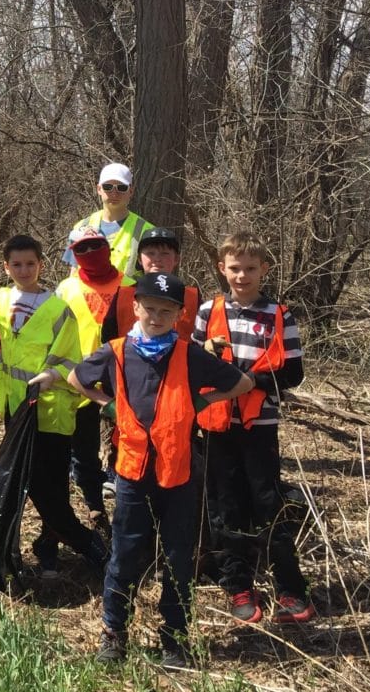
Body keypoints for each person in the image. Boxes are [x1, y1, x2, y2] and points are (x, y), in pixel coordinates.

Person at [69, 272, 253, 669]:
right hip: (132, 471)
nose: (156, 317)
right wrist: (109, 406)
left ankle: (174, 638)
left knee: (177, 556)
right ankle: (114, 634)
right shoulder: (116, 351)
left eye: (166, 311)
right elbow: (75, 378)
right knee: (125, 553)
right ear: (135, 307)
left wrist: (202, 405)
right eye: (150, 308)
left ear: (177, 315)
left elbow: (241, 382)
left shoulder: (189, 354)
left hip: (179, 472)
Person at [193, 232, 314, 625]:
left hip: (259, 426)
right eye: (234, 269)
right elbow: (193, 364)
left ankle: (292, 590)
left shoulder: (279, 315)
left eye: (250, 269)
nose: (241, 276)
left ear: (264, 269)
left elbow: (292, 372)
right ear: (221, 269)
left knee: (268, 503)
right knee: (224, 505)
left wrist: (251, 383)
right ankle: (238, 586)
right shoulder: (207, 311)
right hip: (216, 425)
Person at [0, 234, 105, 578]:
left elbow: (73, 360)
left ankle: (91, 549)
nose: (24, 270)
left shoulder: (56, 308)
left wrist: (53, 373)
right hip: (15, 409)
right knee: (34, 486)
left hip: (51, 412)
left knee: (47, 488)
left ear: (42, 264)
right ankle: (50, 548)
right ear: (5, 267)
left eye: (31, 263)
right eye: (17, 264)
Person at [55, 227, 133, 524]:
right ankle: (94, 504)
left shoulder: (131, 285)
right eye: (82, 249)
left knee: (126, 448)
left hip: (124, 379)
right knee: (84, 449)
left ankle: (131, 511)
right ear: (73, 254)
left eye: (95, 246)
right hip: (81, 382)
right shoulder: (66, 289)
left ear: (108, 247)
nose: (89, 254)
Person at [101, 227, 202, 342]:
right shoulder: (123, 295)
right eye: (150, 253)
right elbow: (108, 338)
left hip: (181, 359)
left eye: (165, 254)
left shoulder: (192, 297)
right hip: (129, 358)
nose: (157, 259)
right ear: (139, 259)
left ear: (176, 259)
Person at [64, 163, 151, 279]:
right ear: (99, 189)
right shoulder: (80, 227)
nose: (114, 193)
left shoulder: (147, 231)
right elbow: (73, 274)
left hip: (127, 296)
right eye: (108, 187)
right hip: (86, 296)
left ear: (131, 191)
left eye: (121, 188)